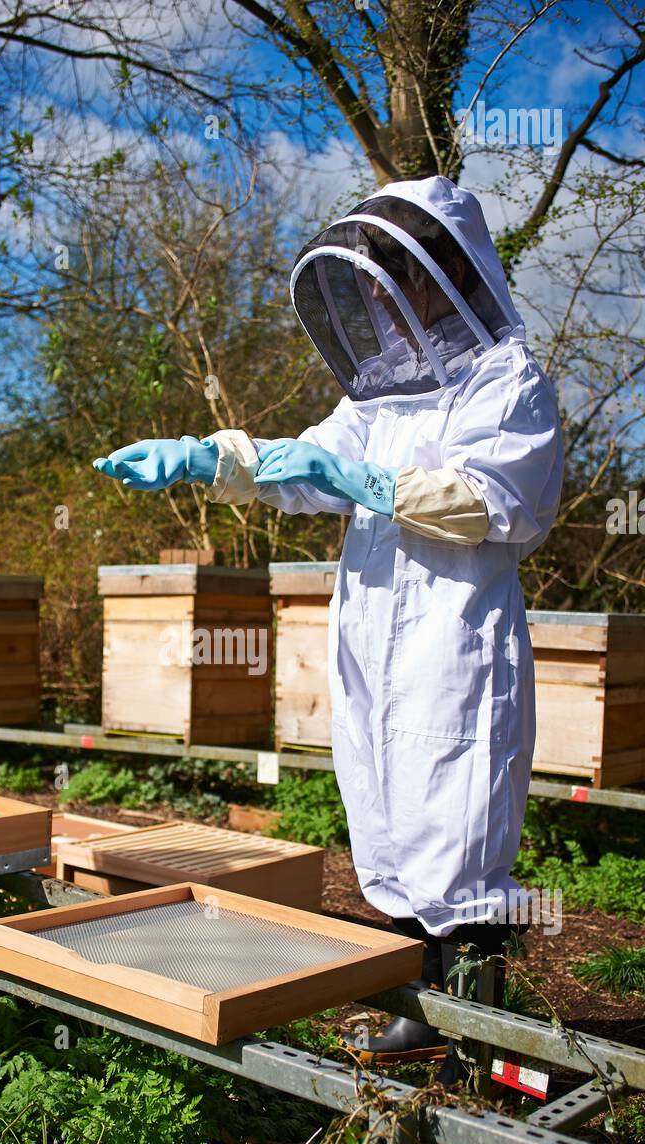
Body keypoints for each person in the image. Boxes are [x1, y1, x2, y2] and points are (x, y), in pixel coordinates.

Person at [93, 175, 564, 1076]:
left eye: (398, 282)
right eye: (376, 287)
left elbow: (497, 502)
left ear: (446, 276)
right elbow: (302, 464)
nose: (385, 302)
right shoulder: (380, 401)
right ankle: (417, 1012)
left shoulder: (509, 382)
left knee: (453, 819)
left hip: (453, 640)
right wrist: (207, 456)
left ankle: (479, 1030)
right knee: (386, 809)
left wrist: (370, 485)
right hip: (373, 640)